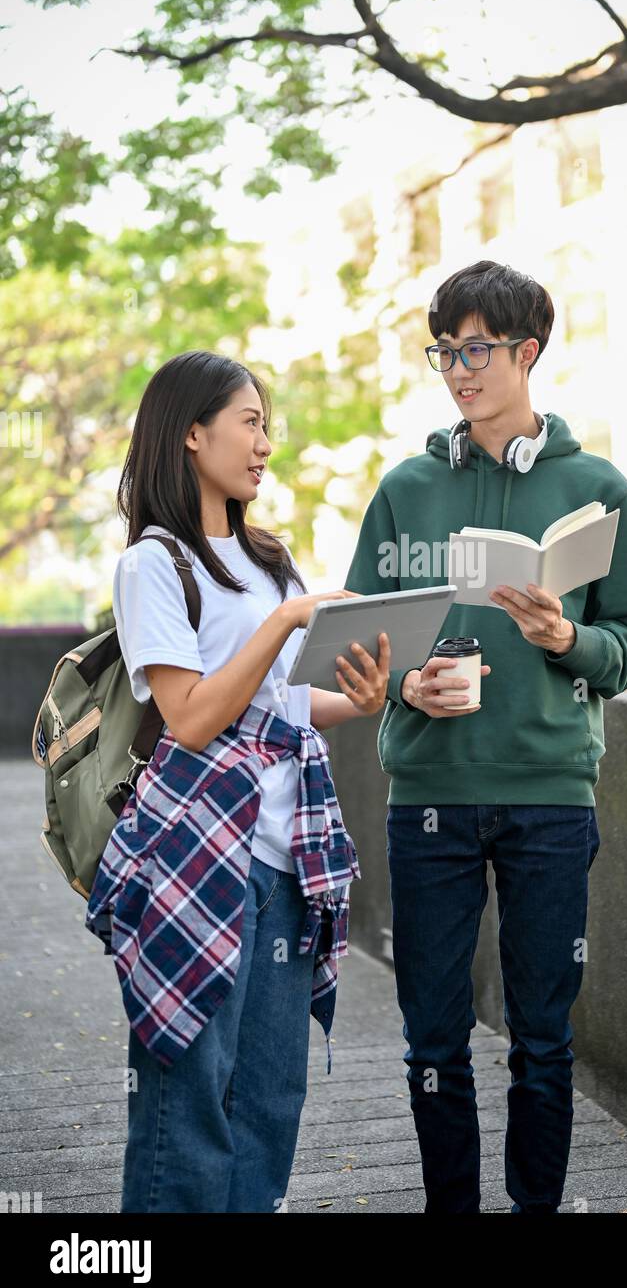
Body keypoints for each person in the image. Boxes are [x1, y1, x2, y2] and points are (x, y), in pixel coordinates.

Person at [344, 259, 627, 1213]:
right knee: (432, 1040)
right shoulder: (405, 487)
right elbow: (353, 644)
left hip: (550, 797)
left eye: (476, 348)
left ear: (527, 352)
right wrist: (407, 685)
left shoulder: (599, 485)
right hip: (428, 797)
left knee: (543, 1038)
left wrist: (567, 637)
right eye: (445, 350)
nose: (457, 369)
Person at [93, 349, 390, 1213]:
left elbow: (288, 704)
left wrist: (371, 695)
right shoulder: (155, 565)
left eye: (268, 426)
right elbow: (189, 715)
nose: (265, 444)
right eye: (249, 422)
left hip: (291, 861)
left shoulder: (269, 558)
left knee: (269, 1100)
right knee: (186, 1099)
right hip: (197, 859)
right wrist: (287, 619)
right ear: (192, 432)